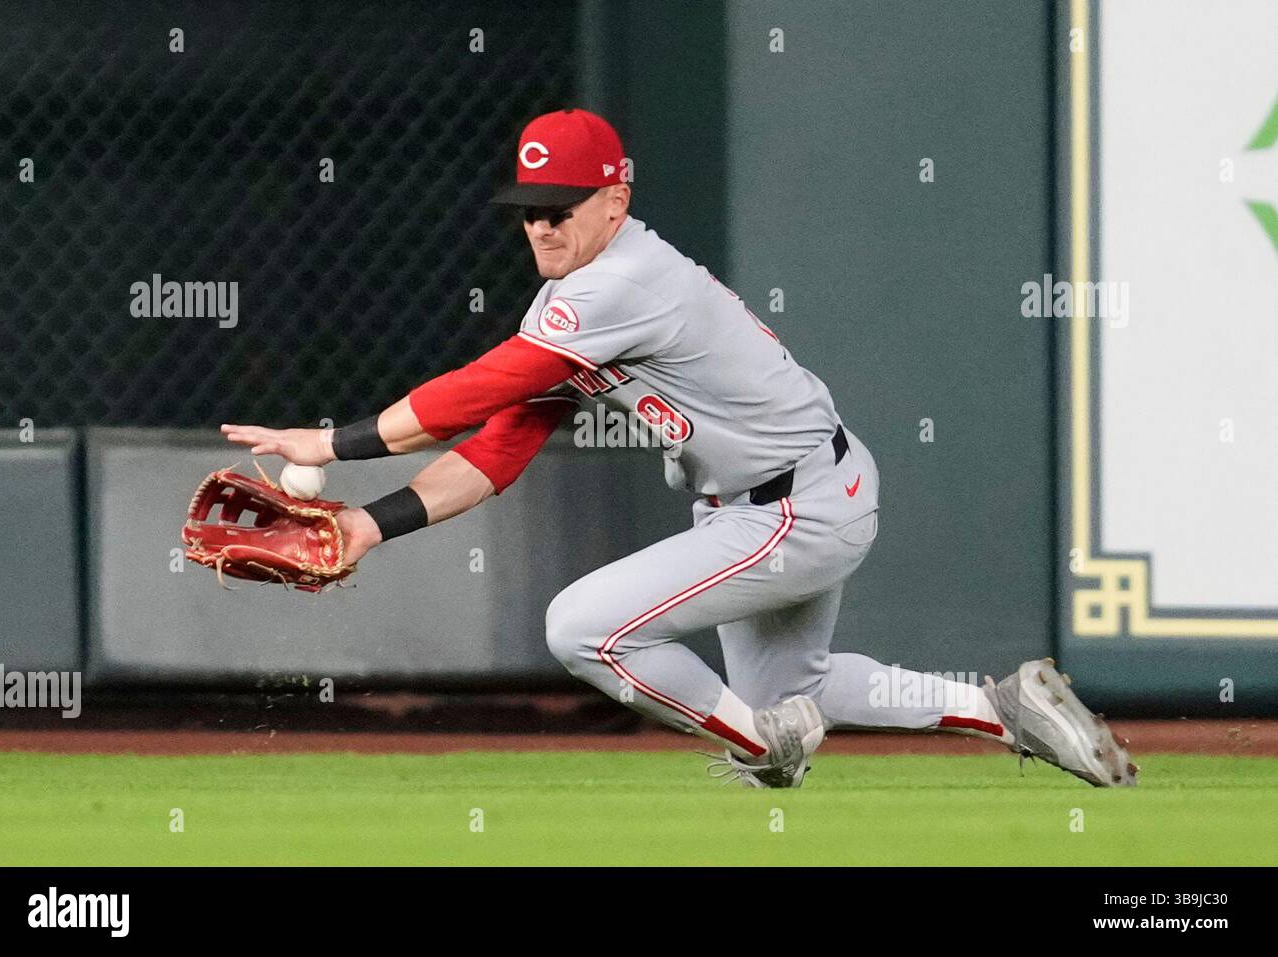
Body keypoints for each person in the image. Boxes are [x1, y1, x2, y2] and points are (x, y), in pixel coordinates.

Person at [223, 108, 1137, 788]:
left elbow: (485, 387)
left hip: (793, 506)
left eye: (561, 207)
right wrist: (370, 527)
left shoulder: (623, 279)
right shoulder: (576, 296)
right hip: (797, 490)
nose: (541, 225)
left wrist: (331, 443)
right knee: (795, 682)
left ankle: (766, 746)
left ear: (614, 200)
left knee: (581, 627)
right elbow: (502, 443)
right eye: (528, 210)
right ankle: (1004, 705)